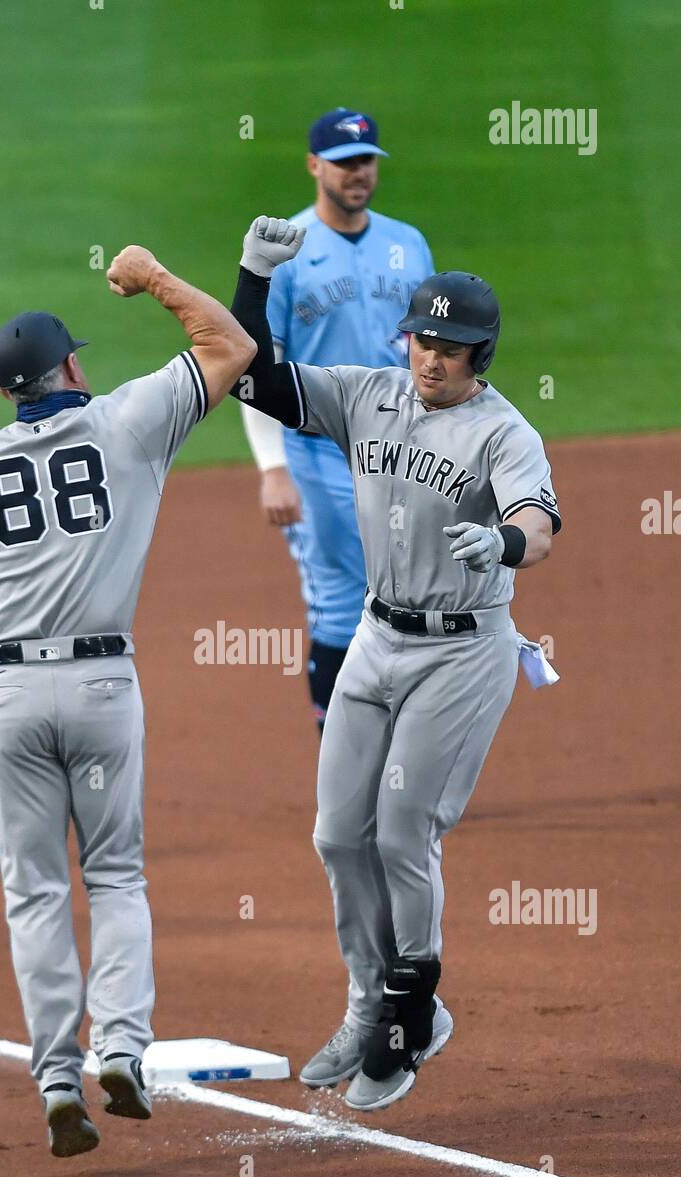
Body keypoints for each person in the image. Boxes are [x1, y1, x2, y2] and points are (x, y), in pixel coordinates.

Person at [0, 254, 255, 1156]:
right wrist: (158, 279)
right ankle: (122, 1046)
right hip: (101, 687)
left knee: (34, 892)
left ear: (10, 390)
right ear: (72, 371)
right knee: (116, 875)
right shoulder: (130, 419)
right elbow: (231, 343)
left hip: (9, 696)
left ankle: (57, 1076)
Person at [231, 217, 561, 1111]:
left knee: (401, 832)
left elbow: (539, 526)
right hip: (377, 641)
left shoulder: (503, 434)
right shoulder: (366, 393)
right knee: (338, 834)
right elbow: (255, 379)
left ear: (479, 353)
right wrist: (254, 279)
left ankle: (409, 1017)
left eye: (451, 349)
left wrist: (499, 540)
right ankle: (365, 1001)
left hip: (461, 653)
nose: (431, 361)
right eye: (422, 340)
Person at [240, 108, 434, 732]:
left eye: (367, 161)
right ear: (314, 165)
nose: (359, 173)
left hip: (401, 449)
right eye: (346, 162)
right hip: (316, 452)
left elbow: (436, 350)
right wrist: (273, 469)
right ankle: (339, 744)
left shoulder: (409, 244)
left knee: (409, 591)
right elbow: (257, 372)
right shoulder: (286, 252)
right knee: (338, 602)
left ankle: (401, 739)